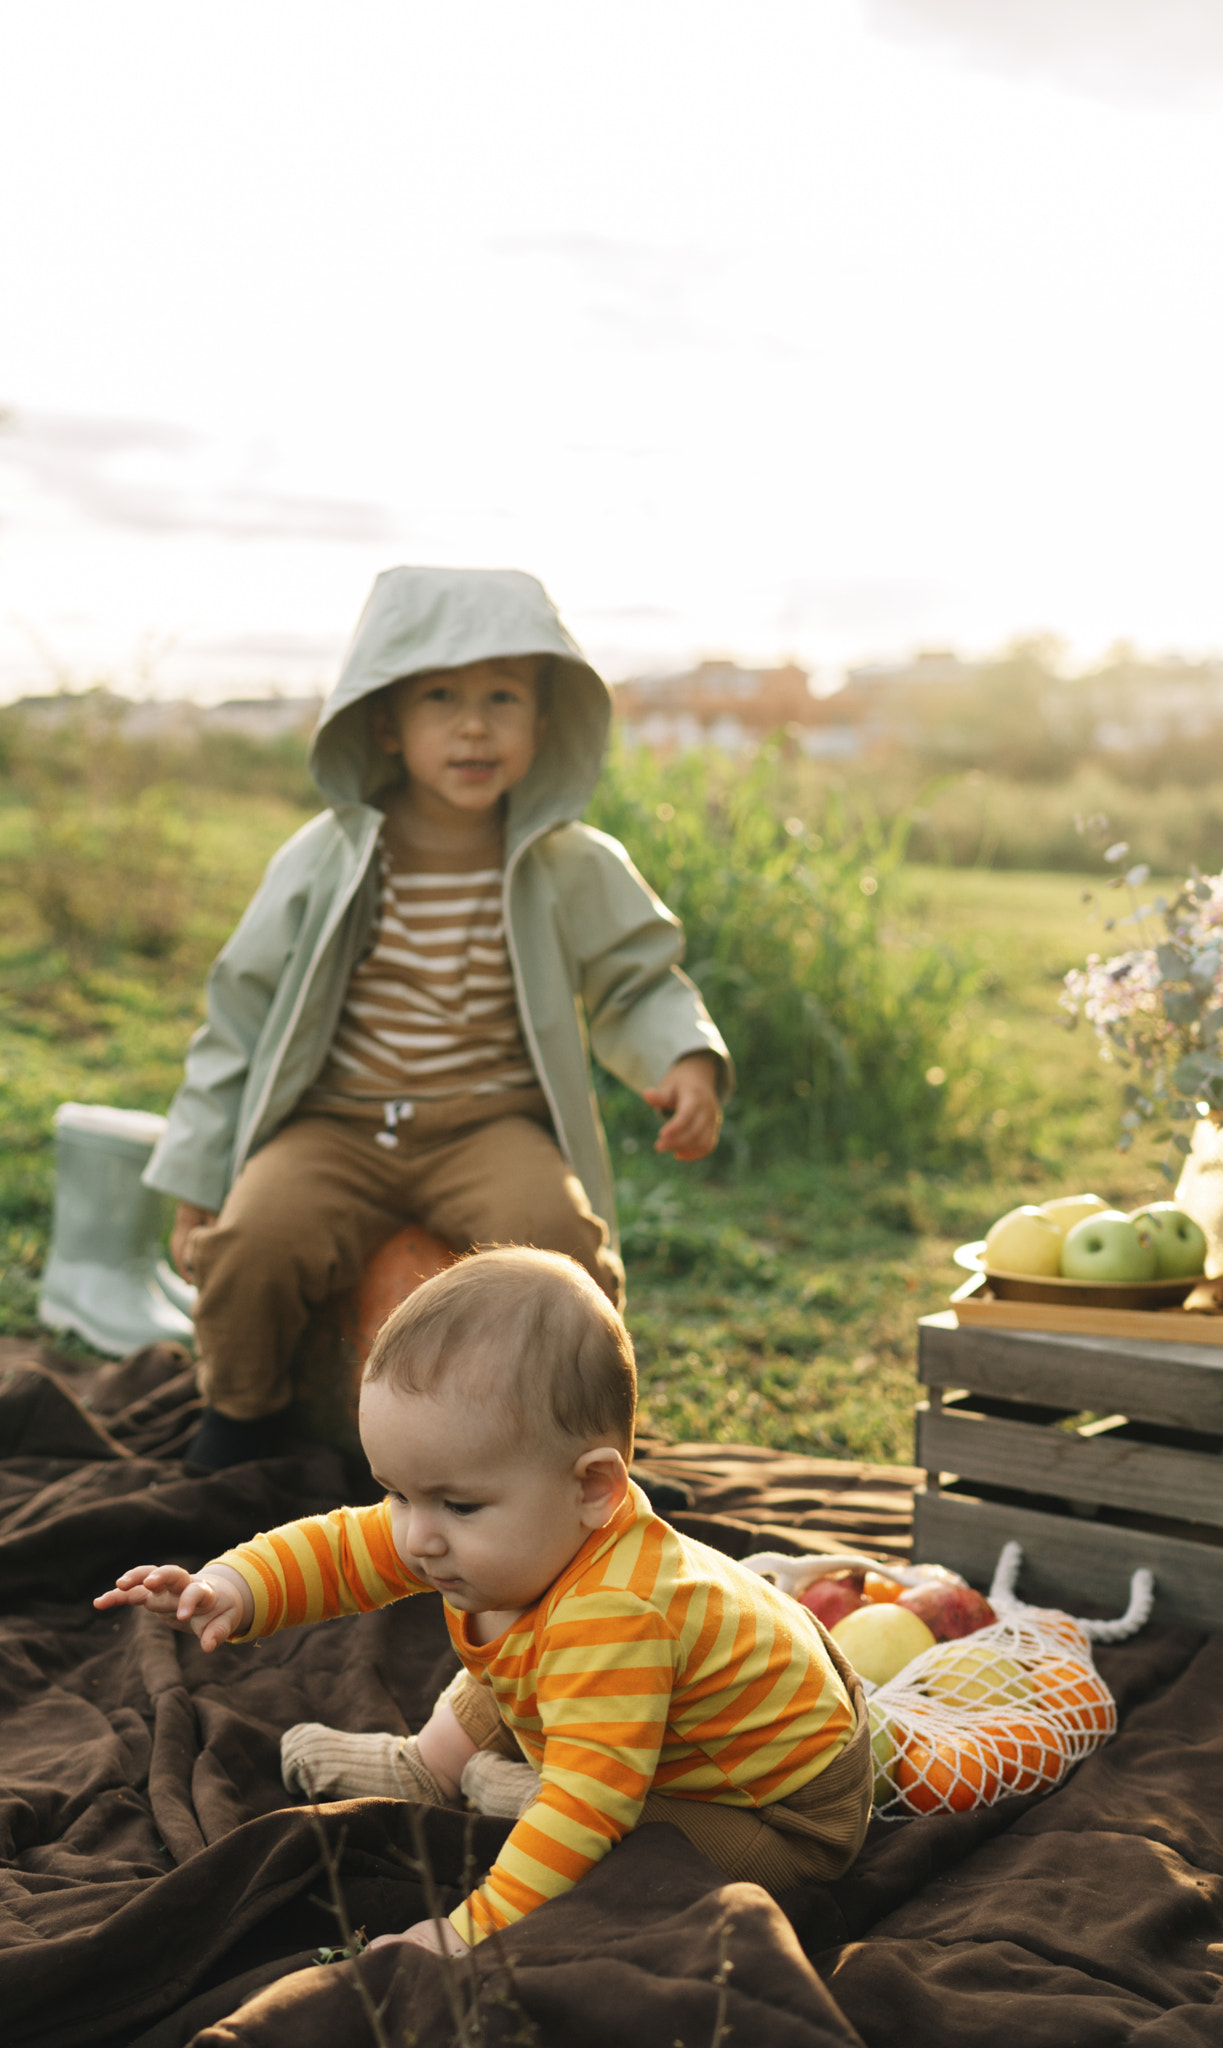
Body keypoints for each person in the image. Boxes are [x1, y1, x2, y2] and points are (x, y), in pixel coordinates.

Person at [93, 1249, 874, 1955]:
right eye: (398, 1493)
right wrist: (234, 1585)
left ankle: (528, 1788)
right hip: (638, 1719)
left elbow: (586, 1815)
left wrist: (468, 1932)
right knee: (508, 1641)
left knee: (633, 1845)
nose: (417, 1536)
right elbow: (342, 1549)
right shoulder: (501, 1530)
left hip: (773, 1814)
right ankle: (428, 1766)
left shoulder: (615, 1616)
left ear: (593, 1487)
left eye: (458, 1506)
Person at [142, 565, 731, 1472]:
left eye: (503, 697)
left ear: (545, 722)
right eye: (441, 698)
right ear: (386, 722)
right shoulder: (328, 858)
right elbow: (240, 1014)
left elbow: (639, 979)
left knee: (563, 1249)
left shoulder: (569, 863)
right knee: (255, 1241)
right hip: (336, 1124)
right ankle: (243, 1418)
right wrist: (199, 1180)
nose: (473, 726)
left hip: (485, 1125)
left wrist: (684, 1057)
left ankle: (586, 1449)